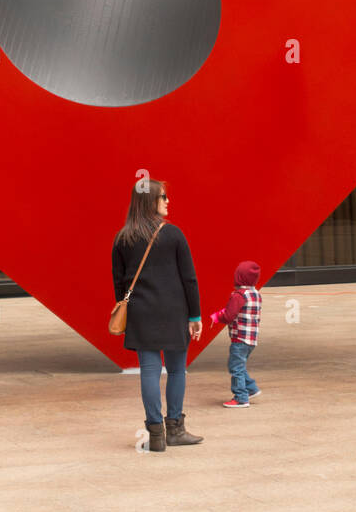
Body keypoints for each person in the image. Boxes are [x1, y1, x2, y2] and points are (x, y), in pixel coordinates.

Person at [111, 178, 204, 451]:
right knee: (176, 370)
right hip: (175, 310)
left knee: (149, 372)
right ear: (150, 201)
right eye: (163, 196)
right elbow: (189, 279)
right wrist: (195, 316)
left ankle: (155, 436)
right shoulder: (174, 234)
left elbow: (119, 283)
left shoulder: (122, 238)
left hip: (141, 312)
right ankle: (175, 429)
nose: (167, 201)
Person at [210, 260, 262, 408]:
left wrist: (217, 316)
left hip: (239, 337)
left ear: (238, 277)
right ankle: (251, 388)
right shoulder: (256, 294)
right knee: (238, 364)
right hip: (251, 338)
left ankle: (241, 397)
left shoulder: (238, 295)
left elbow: (229, 316)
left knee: (236, 367)